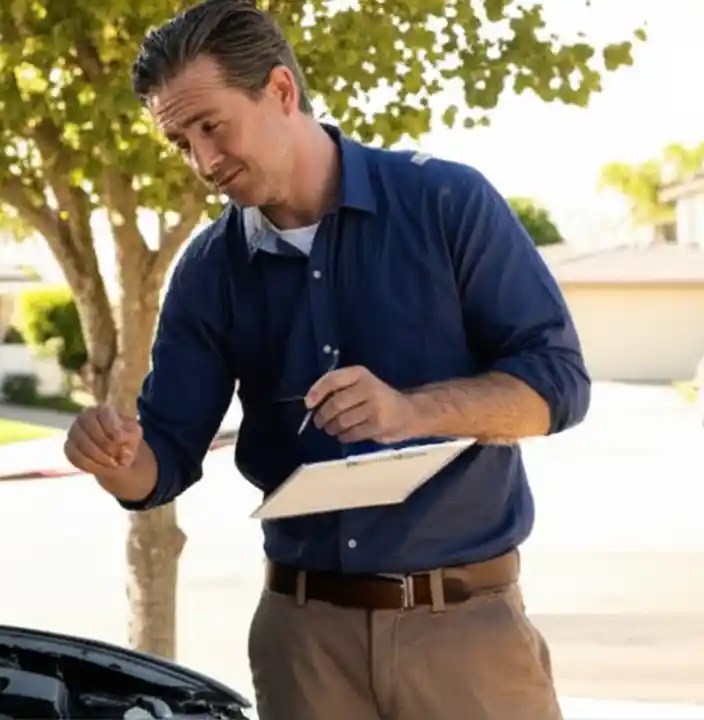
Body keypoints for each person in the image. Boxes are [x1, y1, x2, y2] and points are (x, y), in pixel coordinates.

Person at [61, 1, 591, 718]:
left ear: (281, 91)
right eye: (181, 142)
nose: (203, 162)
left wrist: (413, 411)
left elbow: (556, 384)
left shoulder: (445, 202)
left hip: (467, 637)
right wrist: (115, 457)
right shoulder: (209, 270)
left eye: (211, 126)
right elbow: (164, 460)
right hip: (303, 643)